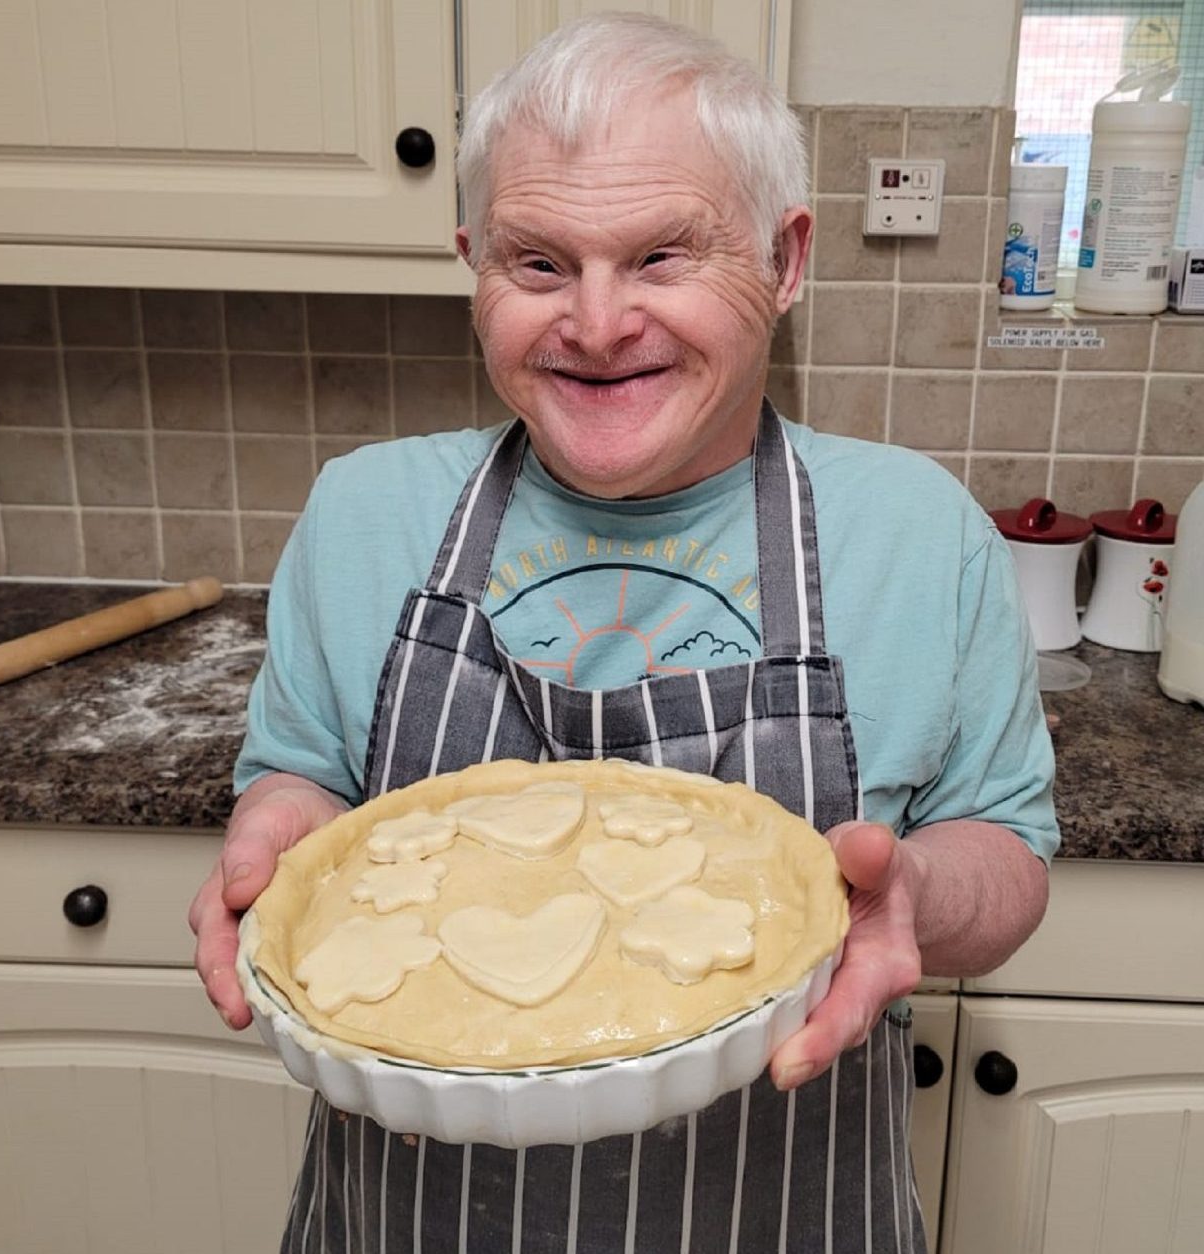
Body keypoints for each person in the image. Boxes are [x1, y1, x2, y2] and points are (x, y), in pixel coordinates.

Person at [187, 14, 1054, 1251]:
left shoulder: (917, 532)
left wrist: (913, 886)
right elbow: (307, 787)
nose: (596, 325)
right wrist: (274, 830)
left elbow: (1005, 856)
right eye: (537, 264)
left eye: (660, 257)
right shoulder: (363, 514)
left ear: (785, 259)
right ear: (471, 260)